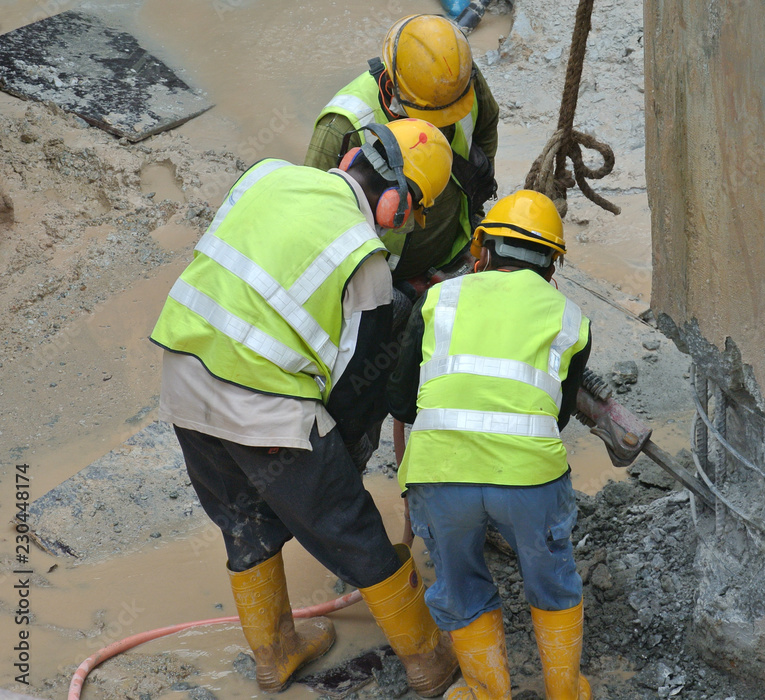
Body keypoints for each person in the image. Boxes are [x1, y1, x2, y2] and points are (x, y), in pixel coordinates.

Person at [149, 118, 459, 696]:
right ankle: (427, 661)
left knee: (241, 518)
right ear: (394, 205)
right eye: (413, 212)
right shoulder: (364, 258)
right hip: (264, 410)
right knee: (352, 525)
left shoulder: (266, 175)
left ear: (349, 161)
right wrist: (334, 467)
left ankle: (275, 655)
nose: (406, 224)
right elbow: (353, 386)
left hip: (183, 380)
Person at [387, 190, 594, 699]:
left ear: (481, 252)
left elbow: (400, 399)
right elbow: (559, 414)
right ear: (552, 266)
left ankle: (487, 692)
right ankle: (565, 691)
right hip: (528, 477)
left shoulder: (439, 300)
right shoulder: (571, 319)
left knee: (459, 583)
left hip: (439, 473)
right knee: (552, 579)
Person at [305, 14, 500, 291]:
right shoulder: (343, 125)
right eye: (428, 117)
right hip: (383, 274)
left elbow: (487, 125)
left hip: (455, 244)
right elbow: (316, 225)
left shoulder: (454, 80)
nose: (439, 127)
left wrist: (475, 207)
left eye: (446, 116)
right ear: (388, 87)